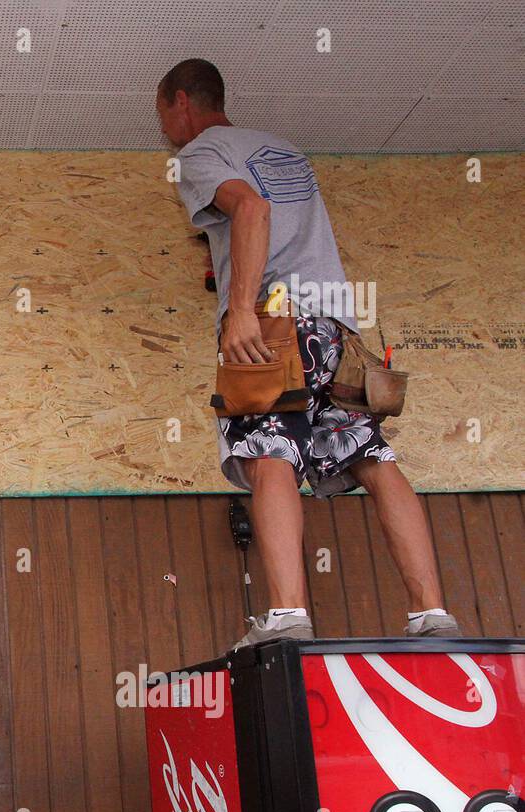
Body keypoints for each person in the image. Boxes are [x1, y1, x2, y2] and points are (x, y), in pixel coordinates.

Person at [155, 58, 460, 648]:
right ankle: (430, 612)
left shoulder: (198, 154)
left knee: (270, 452)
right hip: (334, 327)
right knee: (371, 454)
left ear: (182, 103)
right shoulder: (282, 149)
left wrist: (241, 308)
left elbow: (252, 210)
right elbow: (275, 222)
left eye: (162, 111)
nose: (164, 125)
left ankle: (288, 616)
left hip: (274, 323)